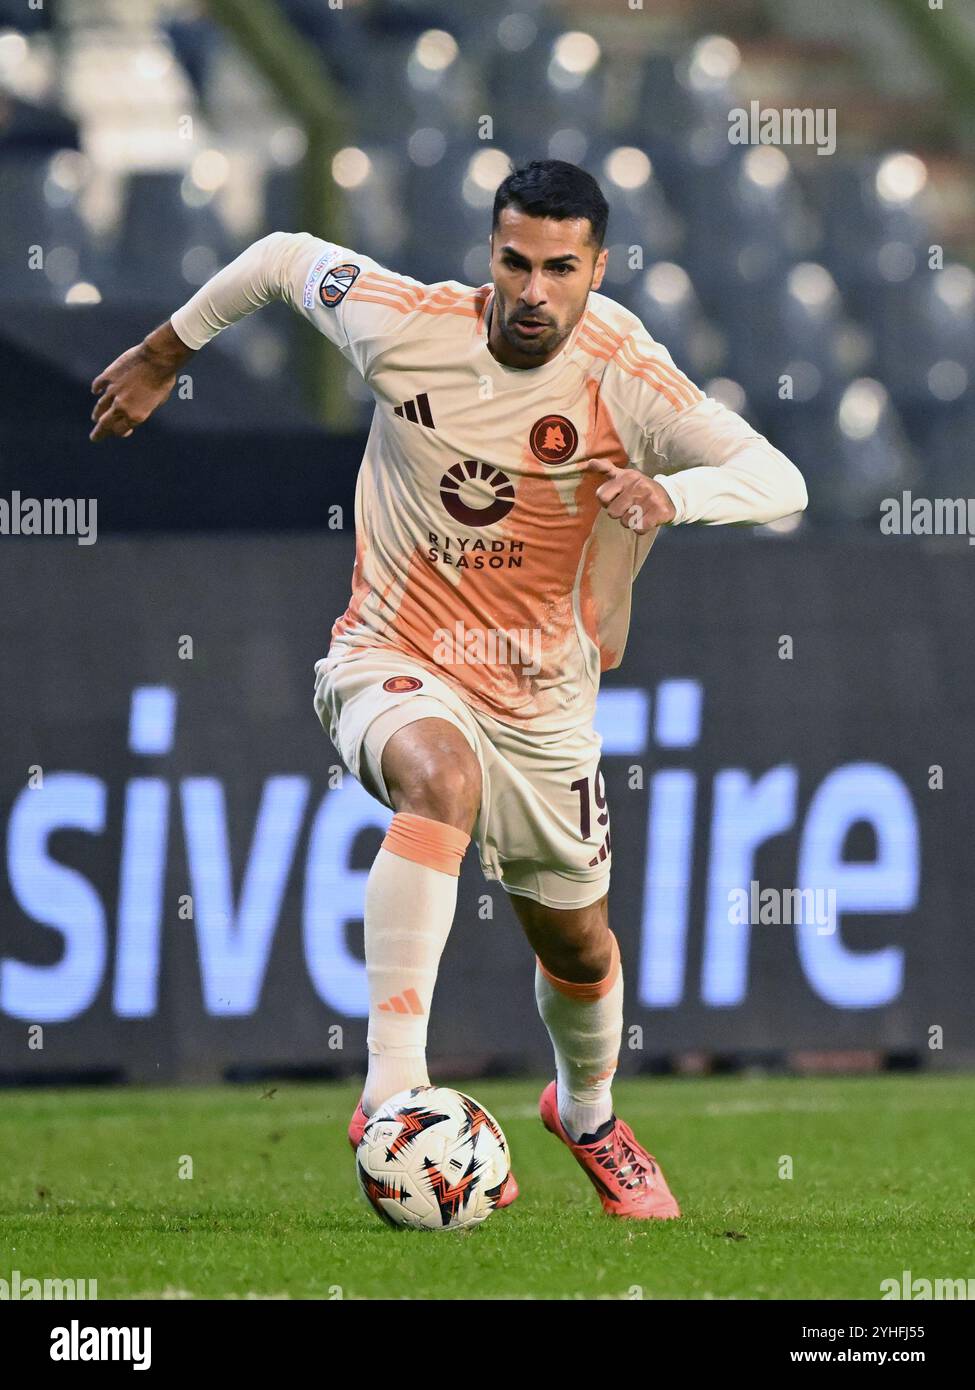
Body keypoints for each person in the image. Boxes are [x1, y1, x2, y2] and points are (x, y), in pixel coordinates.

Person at [90, 159, 808, 1220]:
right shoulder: (407, 323)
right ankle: (392, 1091)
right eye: (515, 261)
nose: (533, 290)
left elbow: (779, 480)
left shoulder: (626, 370)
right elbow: (284, 260)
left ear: (598, 268)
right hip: (394, 653)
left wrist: (669, 490)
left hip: (544, 704)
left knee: (580, 945)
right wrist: (163, 351)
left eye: (561, 268)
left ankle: (590, 1114)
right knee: (442, 779)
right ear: (491, 253)